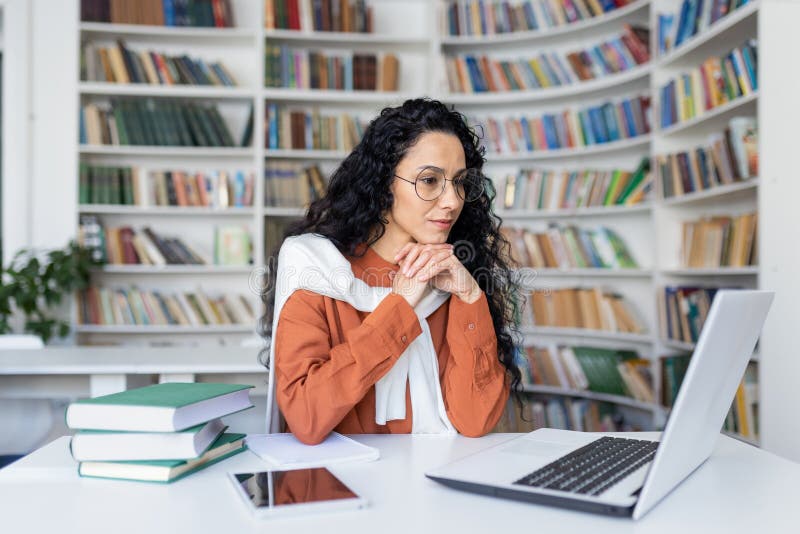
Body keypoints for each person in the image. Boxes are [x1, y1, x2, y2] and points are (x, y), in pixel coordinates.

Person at [259, 98, 521, 445]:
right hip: (336, 489)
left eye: (459, 183)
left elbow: (475, 420)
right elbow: (307, 417)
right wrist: (399, 307)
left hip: (428, 485)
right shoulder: (315, 266)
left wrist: (471, 297)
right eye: (429, 180)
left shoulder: (454, 275)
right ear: (384, 183)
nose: (453, 201)